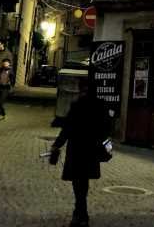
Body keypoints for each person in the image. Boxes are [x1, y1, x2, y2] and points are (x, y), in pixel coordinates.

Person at [50, 87, 111, 227]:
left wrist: (57, 145)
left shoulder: (77, 106)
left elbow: (67, 129)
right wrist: (106, 148)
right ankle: (80, 213)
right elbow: (106, 130)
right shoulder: (100, 106)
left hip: (77, 150)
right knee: (83, 182)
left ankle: (80, 214)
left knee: (78, 183)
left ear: (83, 93)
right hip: (91, 150)